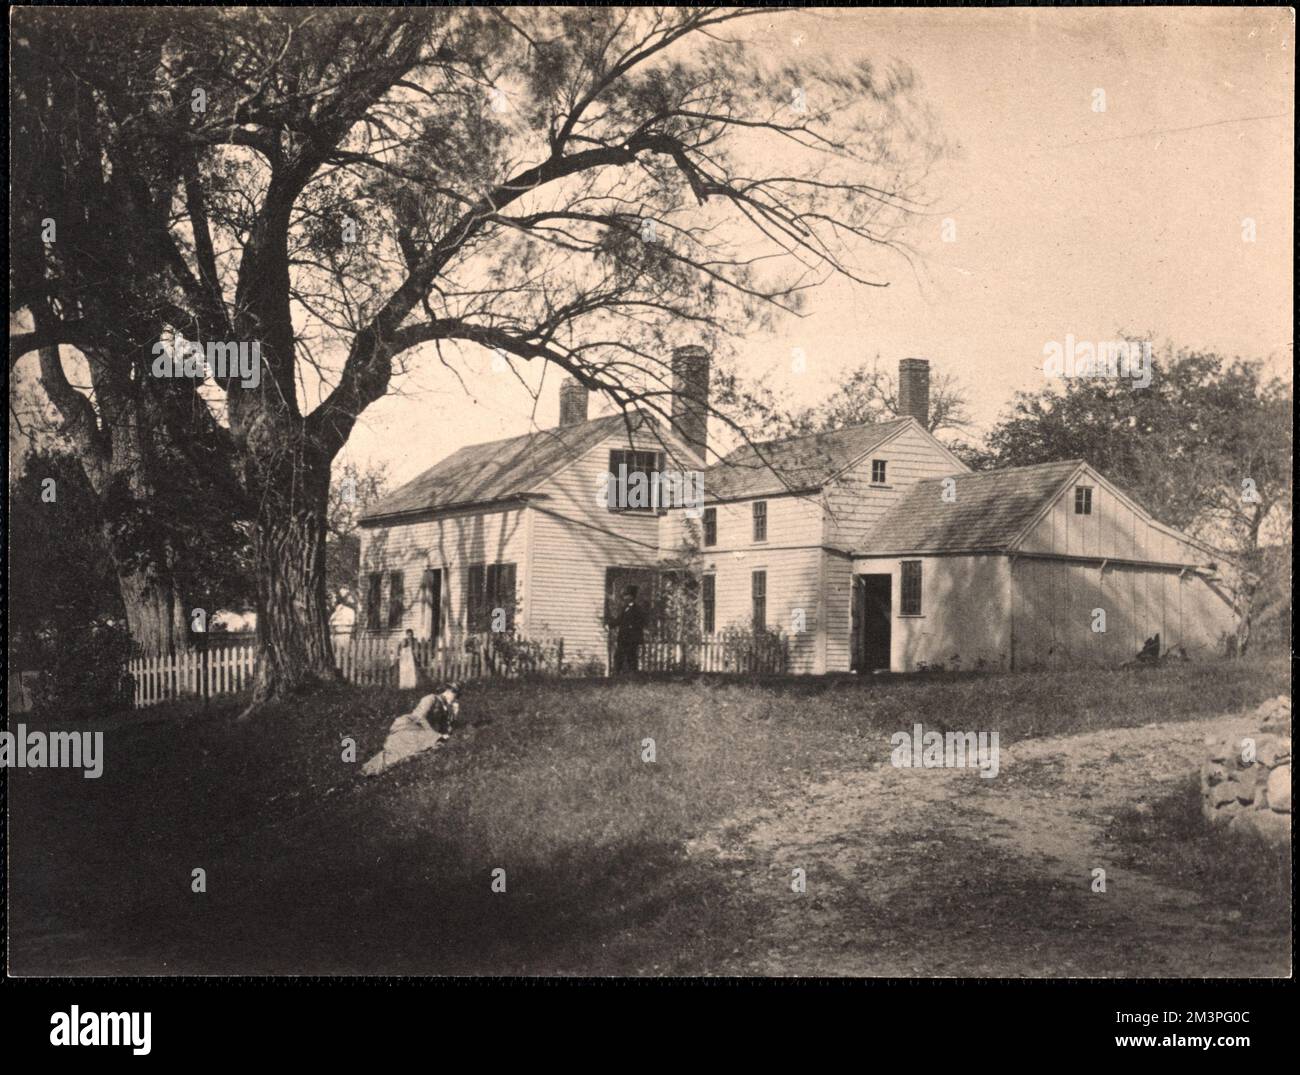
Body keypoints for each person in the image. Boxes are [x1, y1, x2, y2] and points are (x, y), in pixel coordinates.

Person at [611, 586, 646, 673]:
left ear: (632, 597)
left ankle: (633, 675)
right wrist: (609, 625)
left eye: (626, 595)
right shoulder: (625, 608)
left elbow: (641, 623)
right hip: (623, 637)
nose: (624, 598)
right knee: (619, 655)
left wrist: (632, 629)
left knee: (631, 656)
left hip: (632, 638)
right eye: (624, 596)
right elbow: (619, 620)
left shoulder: (638, 609)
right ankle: (616, 674)